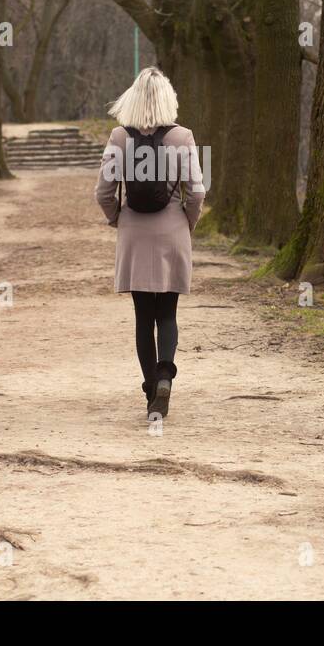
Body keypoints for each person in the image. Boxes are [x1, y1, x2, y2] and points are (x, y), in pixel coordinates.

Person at [94, 67, 205, 419]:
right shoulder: (183, 136)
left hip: (134, 234)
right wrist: (187, 221)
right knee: (167, 313)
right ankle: (165, 379)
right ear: (167, 99)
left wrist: (116, 218)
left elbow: (104, 192)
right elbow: (197, 191)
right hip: (172, 230)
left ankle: (150, 394)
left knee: (144, 316)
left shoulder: (118, 137)